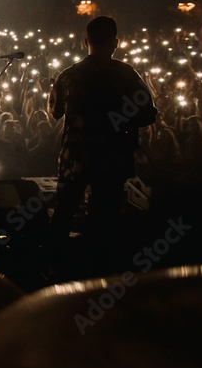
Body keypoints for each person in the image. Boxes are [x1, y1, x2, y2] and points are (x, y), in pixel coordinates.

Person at [48, 15, 157, 273]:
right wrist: (123, 123)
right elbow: (149, 113)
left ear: (85, 41)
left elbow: (55, 111)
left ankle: (55, 267)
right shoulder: (127, 75)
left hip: (75, 157)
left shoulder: (68, 75)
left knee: (64, 212)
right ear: (115, 43)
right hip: (113, 158)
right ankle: (99, 270)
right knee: (105, 216)